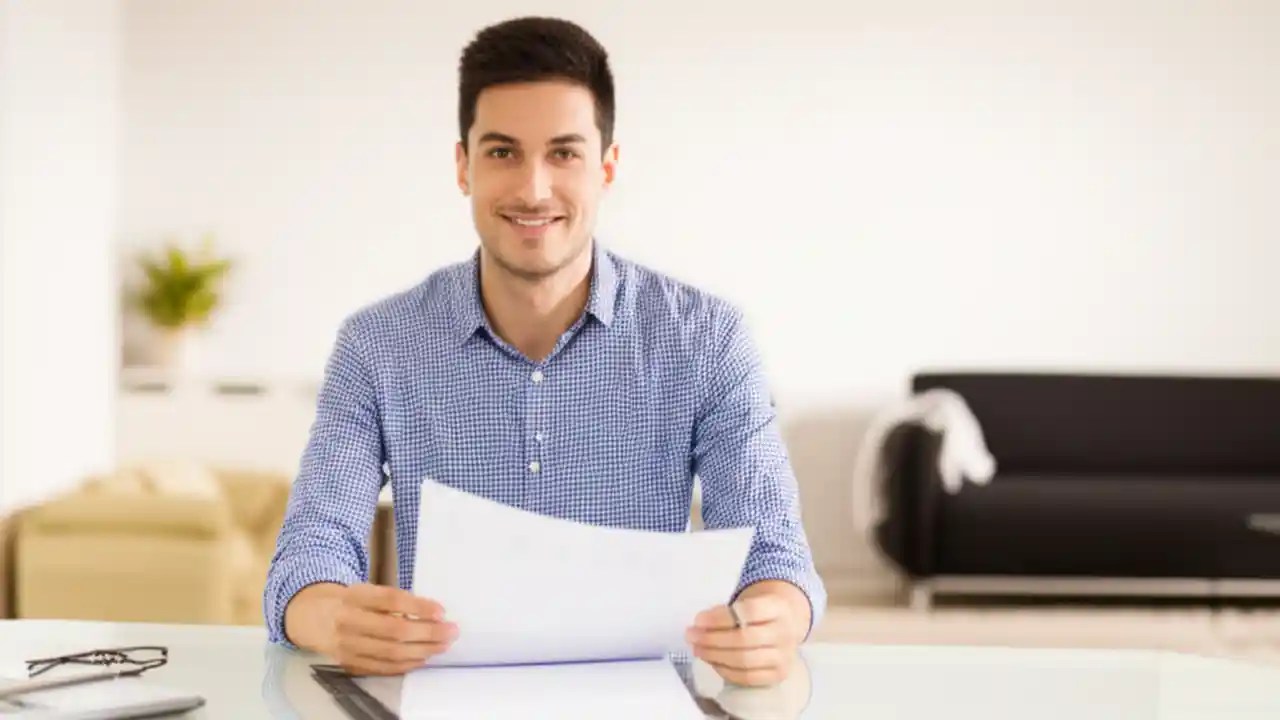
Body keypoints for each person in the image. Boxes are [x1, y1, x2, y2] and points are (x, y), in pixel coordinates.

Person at [264, 15, 826, 688]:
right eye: (503, 152)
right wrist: (330, 614)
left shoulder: (708, 341)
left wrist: (771, 619)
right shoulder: (377, 346)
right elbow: (309, 555)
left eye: (563, 153)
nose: (533, 189)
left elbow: (777, 556)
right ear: (462, 166)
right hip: (447, 698)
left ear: (606, 167)